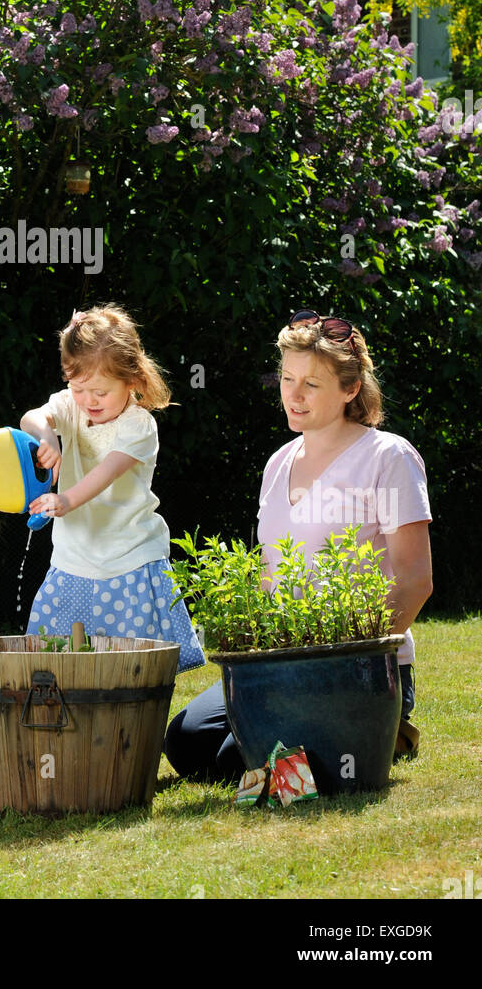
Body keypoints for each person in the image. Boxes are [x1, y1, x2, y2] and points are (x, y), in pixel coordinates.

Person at [164, 310, 433, 782]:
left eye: (312, 383)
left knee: (238, 759)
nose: (294, 394)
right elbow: (272, 577)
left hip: (359, 666)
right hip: (283, 659)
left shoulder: (388, 457)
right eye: (288, 378)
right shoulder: (277, 464)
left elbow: (415, 579)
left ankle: (382, 727)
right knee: (188, 743)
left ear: (350, 389)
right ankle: (354, 740)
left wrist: (347, 660)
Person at [20, 304, 205, 671]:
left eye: (100, 392)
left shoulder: (138, 427)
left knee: (132, 672)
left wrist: (67, 499)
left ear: (132, 380)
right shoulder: (71, 408)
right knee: (56, 667)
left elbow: (107, 471)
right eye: (78, 388)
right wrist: (47, 437)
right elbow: (32, 417)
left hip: (130, 561)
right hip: (73, 560)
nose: (89, 400)